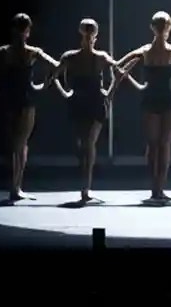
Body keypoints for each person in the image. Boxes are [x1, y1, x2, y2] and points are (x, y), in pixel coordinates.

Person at [0, 13, 60, 202]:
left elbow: (56, 66)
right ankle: (15, 188)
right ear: (25, 31)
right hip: (18, 99)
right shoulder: (23, 52)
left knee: (20, 144)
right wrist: (44, 84)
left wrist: (44, 84)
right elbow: (56, 66)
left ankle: (17, 187)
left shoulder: (13, 52)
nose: (22, 34)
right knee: (18, 144)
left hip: (16, 97)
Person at [115, 11, 171, 204]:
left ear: (153, 27)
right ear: (168, 28)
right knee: (162, 144)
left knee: (155, 145)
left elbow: (118, 69)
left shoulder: (147, 51)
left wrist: (139, 86)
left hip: (155, 97)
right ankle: (158, 189)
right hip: (164, 98)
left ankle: (156, 189)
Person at [51, 18, 131, 204]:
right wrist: (66, 93)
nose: (88, 37)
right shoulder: (71, 56)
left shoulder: (99, 57)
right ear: (83, 34)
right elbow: (54, 75)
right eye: (86, 33)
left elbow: (118, 71)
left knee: (88, 144)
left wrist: (109, 93)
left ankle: (85, 189)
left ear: (94, 35)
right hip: (80, 101)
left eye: (90, 33)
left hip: (94, 101)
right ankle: (85, 187)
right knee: (84, 145)